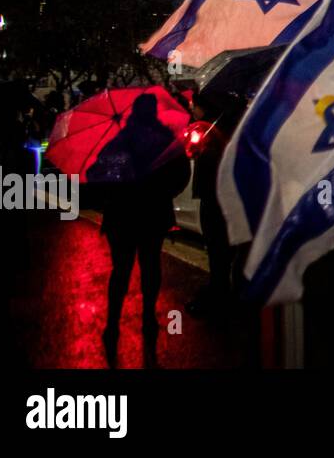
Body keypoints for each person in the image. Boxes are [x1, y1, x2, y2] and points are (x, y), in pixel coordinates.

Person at [90, 94, 190, 365]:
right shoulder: (166, 141)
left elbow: (97, 174)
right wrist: (163, 191)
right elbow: (181, 175)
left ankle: (112, 323)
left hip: (122, 214)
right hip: (153, 214)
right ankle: (148, 316)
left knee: (120, 269)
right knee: (150, 264)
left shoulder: (120, 140)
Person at [186, 92, 243, 319]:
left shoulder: (208, 129)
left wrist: (199, 151)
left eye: (194, 105)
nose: (192, 109)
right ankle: (226, 293)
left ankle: (220, 299)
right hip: (228, 199)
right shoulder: (228, 124)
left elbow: (207, 163)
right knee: (226, 252)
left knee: (218, 250)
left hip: (214, 199)